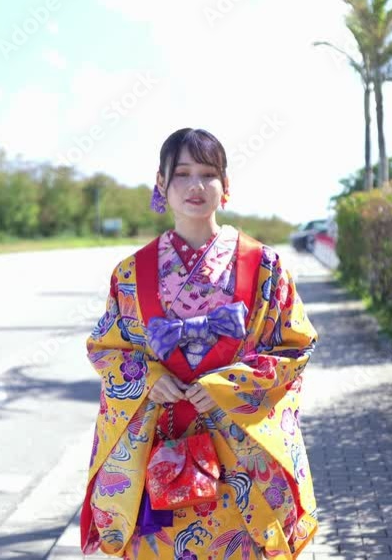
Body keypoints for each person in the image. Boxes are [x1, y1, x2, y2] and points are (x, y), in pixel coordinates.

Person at [80, 127, 319, 559]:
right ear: (161, 183)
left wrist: (229, 385)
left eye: (208, 174)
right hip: (160, 449)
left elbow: (294, 346)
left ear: (225, 185)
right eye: (182, 173)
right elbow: (107, 348)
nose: (196, 185)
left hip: (239, 456)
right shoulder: (131, 273)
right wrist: (148, 378)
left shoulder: (264, 265)